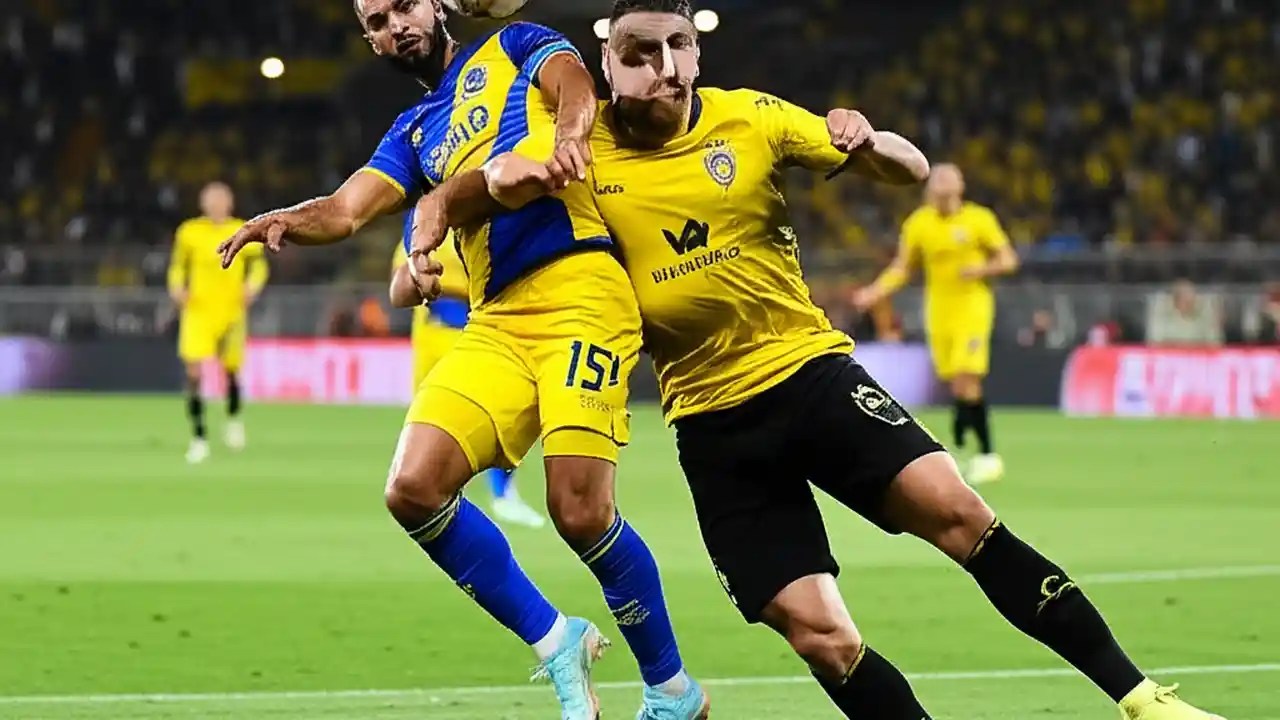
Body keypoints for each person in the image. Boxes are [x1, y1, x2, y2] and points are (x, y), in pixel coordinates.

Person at [408, 2, 1226, 719]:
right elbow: (483, 182)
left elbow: (907, 169)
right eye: (639, 52)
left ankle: (1142, 699)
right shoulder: (578, 154)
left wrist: (868, 140)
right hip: (711, 424)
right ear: (605, 68)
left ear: (699, 53)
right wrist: (437, 210)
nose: (664, 68)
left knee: (962, 516)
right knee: (824, 637)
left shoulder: (752, 118)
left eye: (679, 46)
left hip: (810, 376)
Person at [218, 3, 706, 719]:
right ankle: (556, 642)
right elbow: (348, 209)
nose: (396, 25)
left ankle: (671, 690)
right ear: (371, 40)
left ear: (436, 6)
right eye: (377, 20)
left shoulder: (515, 45)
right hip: (498, 319)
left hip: (583, 292)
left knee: (579, 510)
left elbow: (576, 86)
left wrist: (572, 137)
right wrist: (285, 219)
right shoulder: (413, 133)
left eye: (404, 6)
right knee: (412, 488)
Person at [855, 164, 1019, 484]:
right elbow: (902, 268)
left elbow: (1008, 259)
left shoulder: (978, 219)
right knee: (955, 383)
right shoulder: (919, 223)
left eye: (948, 182)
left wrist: (980, 270)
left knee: (966, 377)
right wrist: (874, 291)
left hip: (972, 308)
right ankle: (961, 435)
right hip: (939, 311)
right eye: (937, 183)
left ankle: (988, 454)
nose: (942, 188)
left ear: (960, 186)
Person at [391, 209, 545, 528]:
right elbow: (401, 281)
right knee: (434, 418)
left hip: (470, 326)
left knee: (490, 412)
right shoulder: (421, 228)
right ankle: (448, 494)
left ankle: (503, 494)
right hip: (429, 328)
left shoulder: (477, 225)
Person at [167, 182, 267, 464]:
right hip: (198, 311)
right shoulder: (189, 232)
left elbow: (259, 265)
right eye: (211, 200)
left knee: (232, 372)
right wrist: (176, 287)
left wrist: (252, 286)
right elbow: (177, 266)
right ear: (203, 204)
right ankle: (199, 437)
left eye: (221, 200)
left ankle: (233, 419)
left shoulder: (243, 229)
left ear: (230, 203)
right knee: (194, 374)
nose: (216, 205)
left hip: (231, 311)